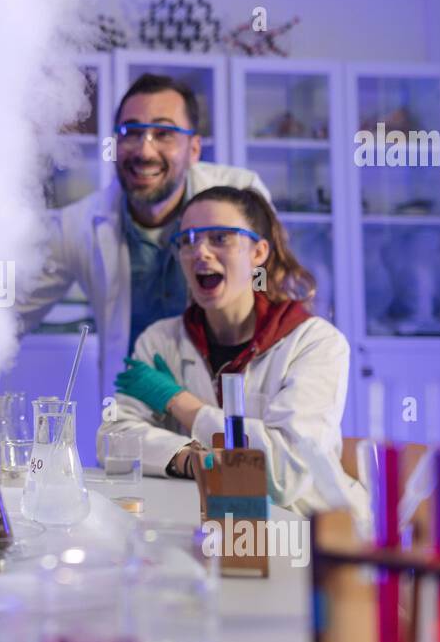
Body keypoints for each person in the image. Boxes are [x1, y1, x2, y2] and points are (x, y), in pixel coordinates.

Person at [98, 185, 367, 521]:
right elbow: (114, 439)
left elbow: (285, 475)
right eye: (188, 240)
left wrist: (182, 403)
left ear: (258, 253)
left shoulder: (314, 342)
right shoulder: (160, 340)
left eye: (220, 238)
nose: (200, 252)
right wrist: (191, 459)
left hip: (310, 535)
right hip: (204, 525)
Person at [16, 73, 272, 400]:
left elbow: (272, 292)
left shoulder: (239, 198)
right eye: (131, 133)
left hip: (227, 398)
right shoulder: (77, 225)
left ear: (194, 148)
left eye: (164, 133)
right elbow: (11, 313)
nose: (144, 150)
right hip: (134, 410)